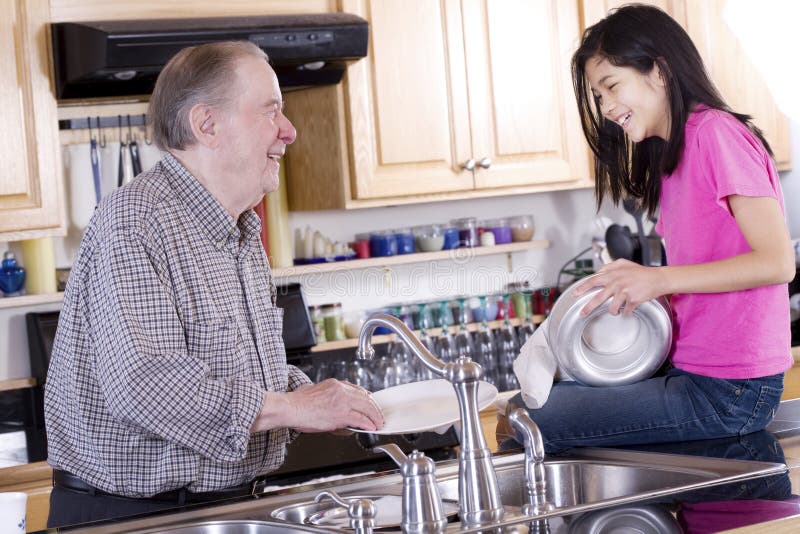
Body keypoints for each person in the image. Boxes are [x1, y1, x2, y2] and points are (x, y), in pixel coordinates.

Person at [44, 41, 383, 528]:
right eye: (272, 111)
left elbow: (237, 372)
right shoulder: (136, 221)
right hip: (133, 518)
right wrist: (291, 407)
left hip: (224, 506)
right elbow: (146, 386)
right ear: (207, 125)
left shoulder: (240, 229)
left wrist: (324, 399)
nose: (290, 131)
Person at [499, 4, 794, 453]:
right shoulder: (670, 156)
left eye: (612, 86)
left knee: (524, 421)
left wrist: (658, 279)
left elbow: (777, 262)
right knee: (525, 410)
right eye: (599, 96)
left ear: (659, 71)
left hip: (733, 392)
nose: (607, 107)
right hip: (696, 374)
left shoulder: (717, 134)